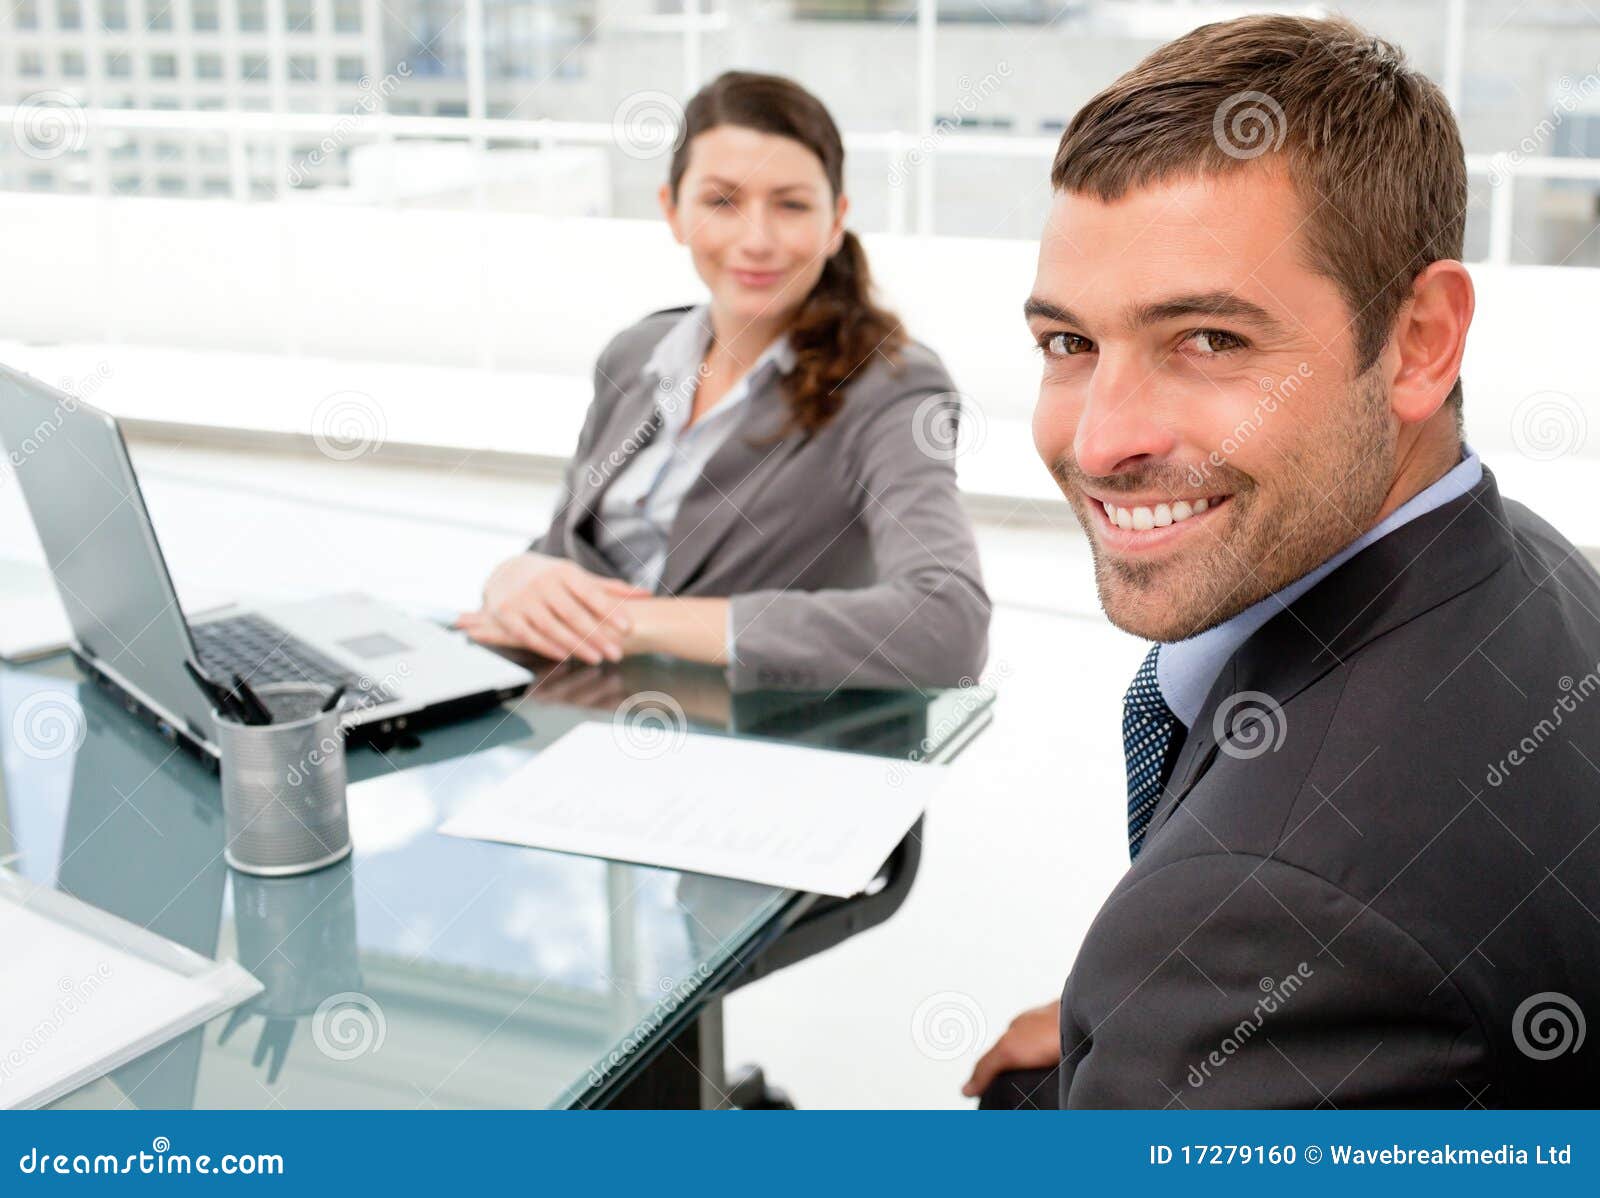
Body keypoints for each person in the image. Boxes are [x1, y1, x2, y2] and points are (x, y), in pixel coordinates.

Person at [968, 13, 1600, 1107]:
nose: (1097, 441)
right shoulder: (1530, 566)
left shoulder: (1277, 920)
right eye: (1069, 344)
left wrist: (1178, 1018)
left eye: (1207, 340)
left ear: (1418, 341)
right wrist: (1134, 1026)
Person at [458, 71, 989, 693]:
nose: (756, 239)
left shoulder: (892, 387)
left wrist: (636, 624)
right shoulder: (636, 355)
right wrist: (513, 574)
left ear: (835, 220)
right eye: (721, 201)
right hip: (567, 700)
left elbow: (946, 628)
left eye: (791, 205)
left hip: (750, 740)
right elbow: (567, 550)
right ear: (672, 211)